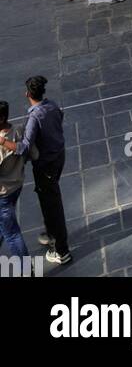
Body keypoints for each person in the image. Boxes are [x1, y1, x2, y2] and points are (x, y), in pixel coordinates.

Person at [0, 76, 71, 265]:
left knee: (52, 205)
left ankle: (62, 251)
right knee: (49, 198)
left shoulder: (34, 116)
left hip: (46, 164)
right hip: (58, 155)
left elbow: (23, 147)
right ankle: (51, 235)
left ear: (27, 94)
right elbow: (60, 118)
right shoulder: (52, 106)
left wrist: (3, 141)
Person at [0, 100, 28, 264]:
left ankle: (26, 270)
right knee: (5, 223)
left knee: (12, 234)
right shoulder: (18, 129)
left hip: (2, 193)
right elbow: (33, 153)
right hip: (16, 184)